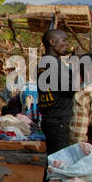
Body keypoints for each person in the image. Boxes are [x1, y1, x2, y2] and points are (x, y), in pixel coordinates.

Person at [36, 28, 76, 162]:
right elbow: (70, 88)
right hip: (58, 121)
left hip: (52, 119)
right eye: (63, 40)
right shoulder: (51, 63)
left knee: (54, 162)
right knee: (60, 163)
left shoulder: (48, 62)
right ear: (52, 42)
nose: (67, 44)